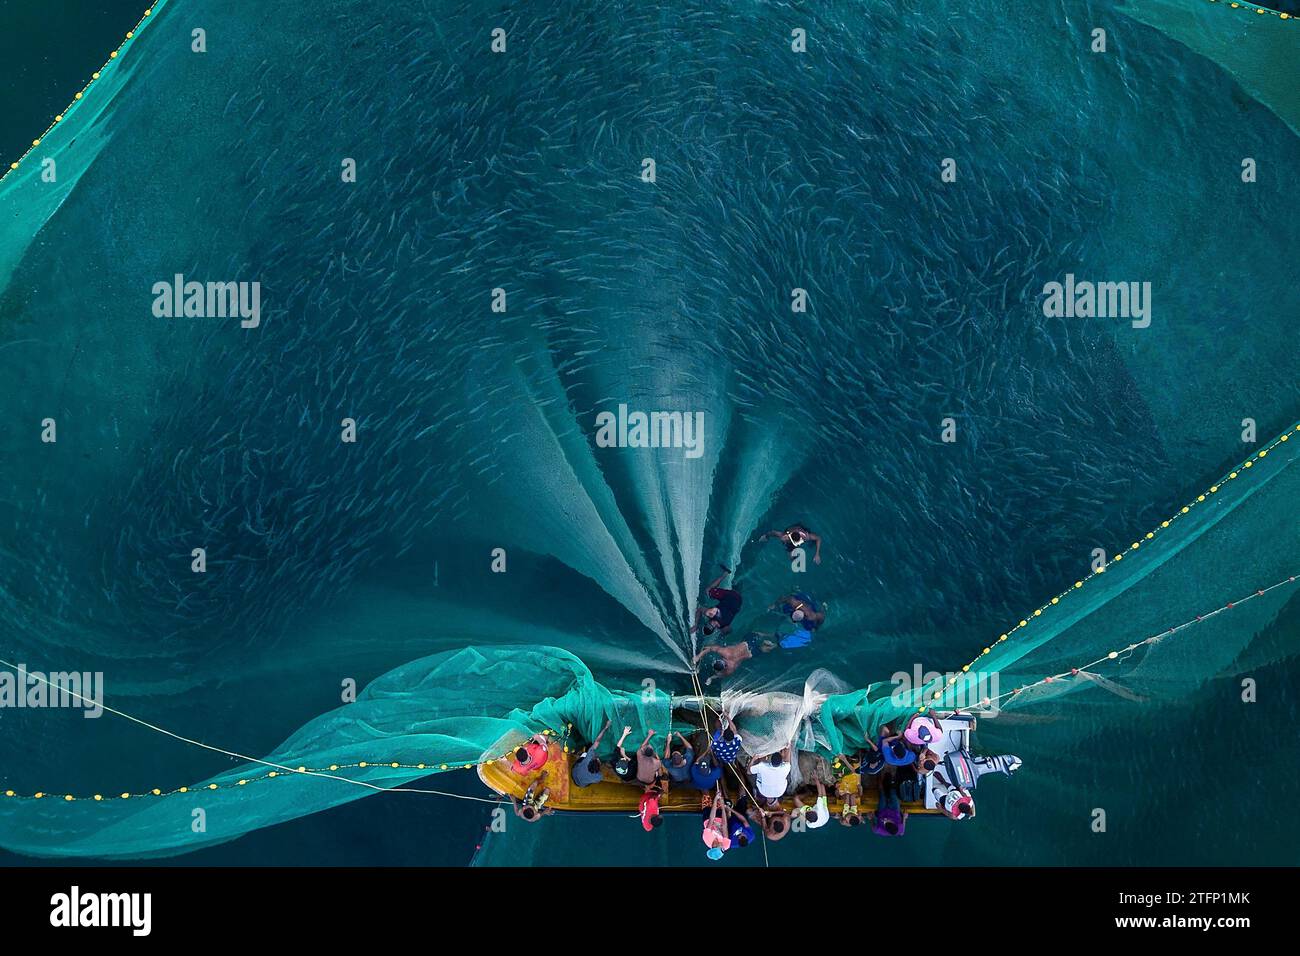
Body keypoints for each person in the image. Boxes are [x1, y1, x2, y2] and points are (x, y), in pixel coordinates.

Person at [694, 634, 775, 685]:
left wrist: (710, 678)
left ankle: (774, 646)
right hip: (746, 644)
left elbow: (720, 675)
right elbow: (711, 648)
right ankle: (768, 636)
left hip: (750, 654)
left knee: (762, 649)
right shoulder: (726, 652)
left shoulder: (731, 668)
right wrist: (698, 656)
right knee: (756, 634)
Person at [691, 566, 743, 638]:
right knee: (708, 591)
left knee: (732, 598)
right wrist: (696, 625)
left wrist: (722, 635)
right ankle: (726, 573)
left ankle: (737, 585)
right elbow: (699, 609)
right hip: (731, 596)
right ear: (707, 624)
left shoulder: (723, 627)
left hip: (739, 601)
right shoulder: (712, 613)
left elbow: (729, 630)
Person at [571, 719, 611, 788]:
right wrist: (606, 727)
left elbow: (597, 741)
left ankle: (579, 755)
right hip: (574, 773)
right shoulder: (588, 759)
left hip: (579, 779)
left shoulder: (598, 777)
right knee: (585, 754)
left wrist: (606, 727)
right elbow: (597, 742)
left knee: (585, 753)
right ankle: (579, 757)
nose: (597, 758)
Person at [870, 769, 907, 837]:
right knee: (893, 794)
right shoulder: (900, 830)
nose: (886, 820)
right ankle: (892, 779)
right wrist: (904, 817)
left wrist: (871, 818)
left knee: (882, 795)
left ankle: (878, 773)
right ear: (894, 824)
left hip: (882, 811)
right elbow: (902, 832)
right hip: (894, 810)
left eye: (885, 822)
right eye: (889, 821)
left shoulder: (879, 829)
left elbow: (873, 829)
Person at [834, 754, 864, 826]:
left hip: (846, 808)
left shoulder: (846, 819)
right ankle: (850, 760)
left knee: (847, 796)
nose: (847, 817)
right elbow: (859, 813)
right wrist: (860, 816)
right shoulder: (855, 815)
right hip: (852, 809)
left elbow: (843, 822)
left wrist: (841, 817)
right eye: (849, 817)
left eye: (847, 818)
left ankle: (842, 761)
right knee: (852, 796)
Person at [701, 789, 732, 860]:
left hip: (708, 817)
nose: (723, 849)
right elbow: (724, 825)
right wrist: (723, 807)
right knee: (720, 794)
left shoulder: (707, 838)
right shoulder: (726, 845)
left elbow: (711, 818)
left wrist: (715, 799)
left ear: (714, 846)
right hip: (720, 819)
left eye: (721, 849)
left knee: (706, 794)